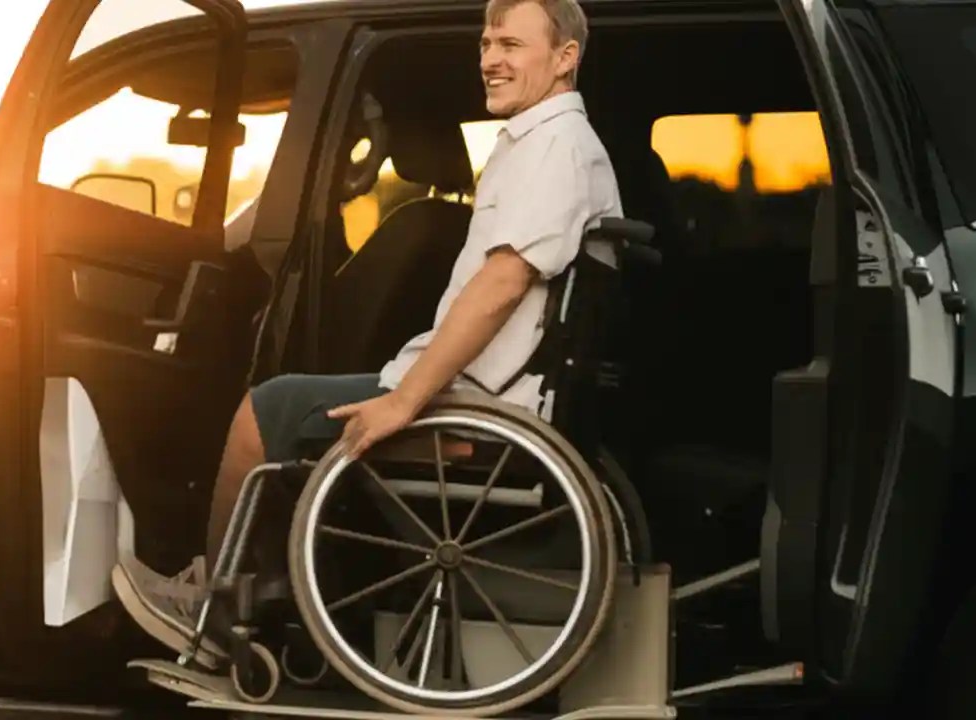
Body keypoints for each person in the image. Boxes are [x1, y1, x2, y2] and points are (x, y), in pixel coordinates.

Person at [118, 0, 623, 639]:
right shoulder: (547, 143)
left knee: (263, 413)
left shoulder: (553, 148)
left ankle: (215, 613)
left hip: (484, 411)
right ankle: (263, 596)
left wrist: (402, 401)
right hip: (497, 397)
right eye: (487, 43)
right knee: (296, 404)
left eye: (512, 46)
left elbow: (502, 284)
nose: (491, 60)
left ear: (564, 58)